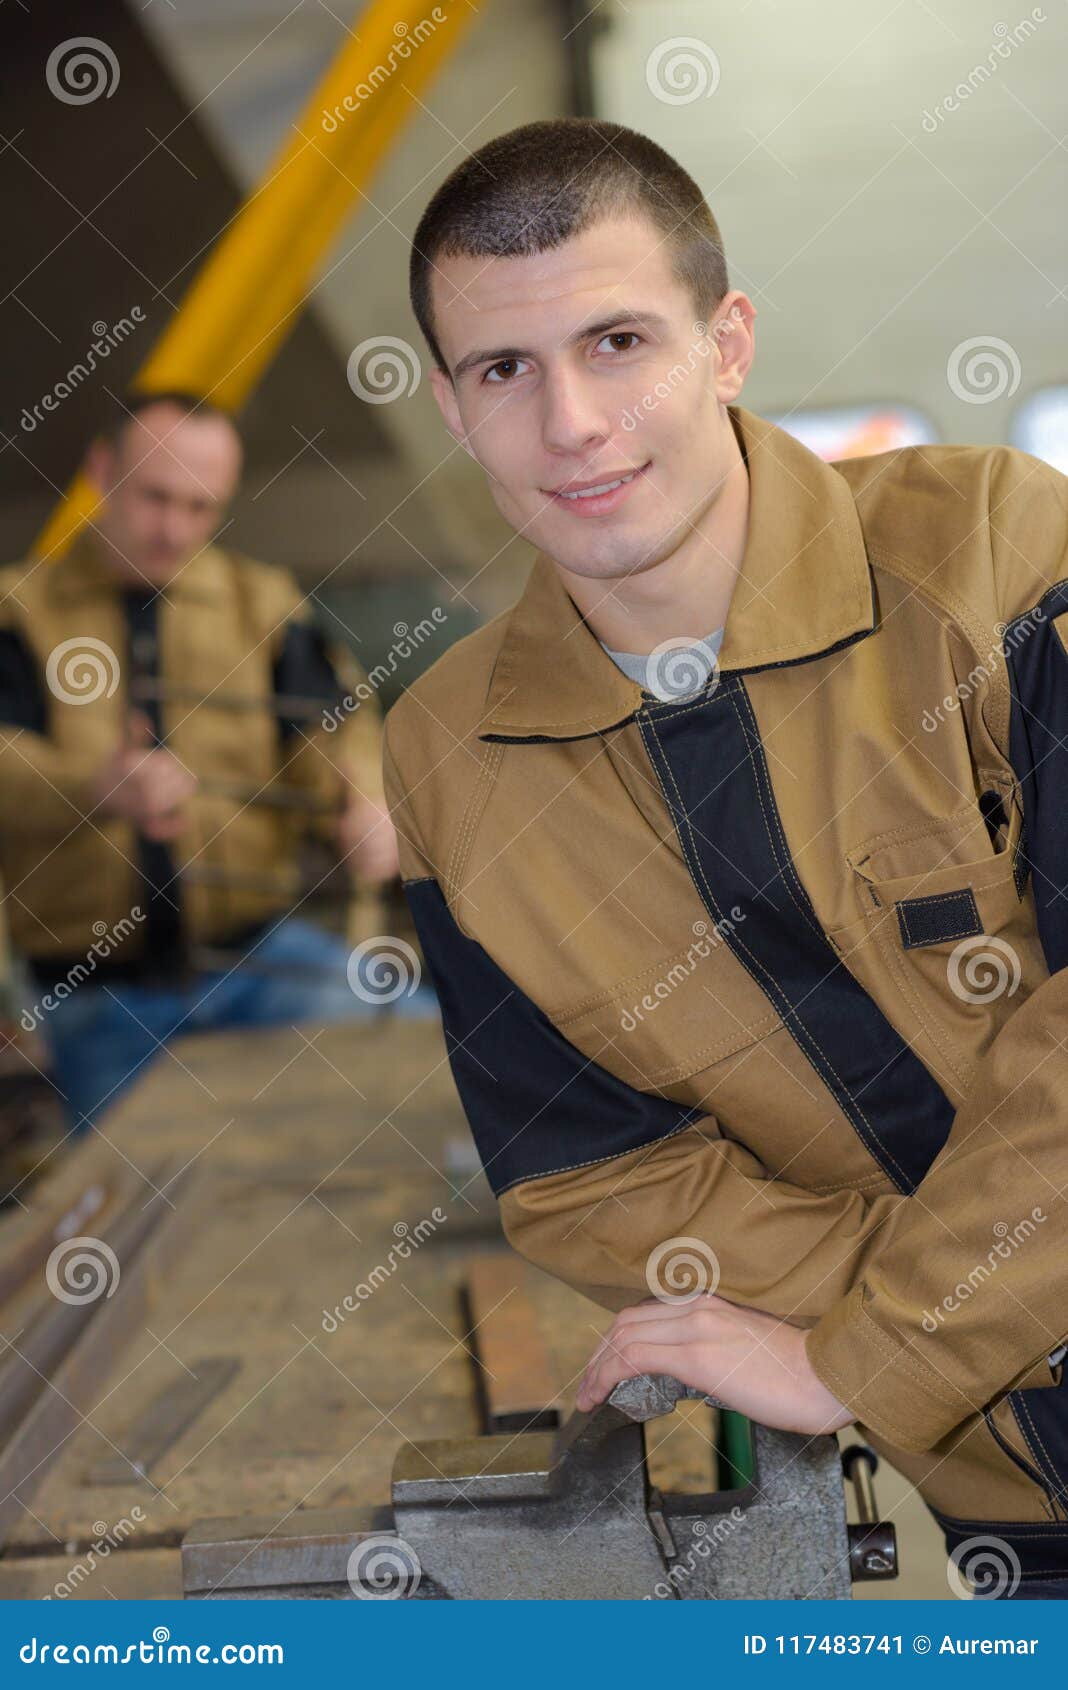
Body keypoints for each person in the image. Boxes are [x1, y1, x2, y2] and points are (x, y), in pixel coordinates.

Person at [382, 116, 1068, 1596]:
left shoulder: (1006, 559)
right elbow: (590, 1172)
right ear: (451, 406)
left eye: (619, 339)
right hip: (1007, 1494)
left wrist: (880, 1344)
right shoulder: (450, 754)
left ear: (728, 341)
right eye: (506, 369)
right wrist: (904, 1336)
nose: (570, 419)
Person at [0, 390, 430, 1132]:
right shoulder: (19, 609)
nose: (174, 530)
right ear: (102, 471)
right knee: (143, 1214)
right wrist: (93, 786)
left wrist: (363, 799)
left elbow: (332, 725)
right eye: (155, 498)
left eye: (201, 508)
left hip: (261, 964)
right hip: (97, 994)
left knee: (434, 1062)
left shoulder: (259, 602)